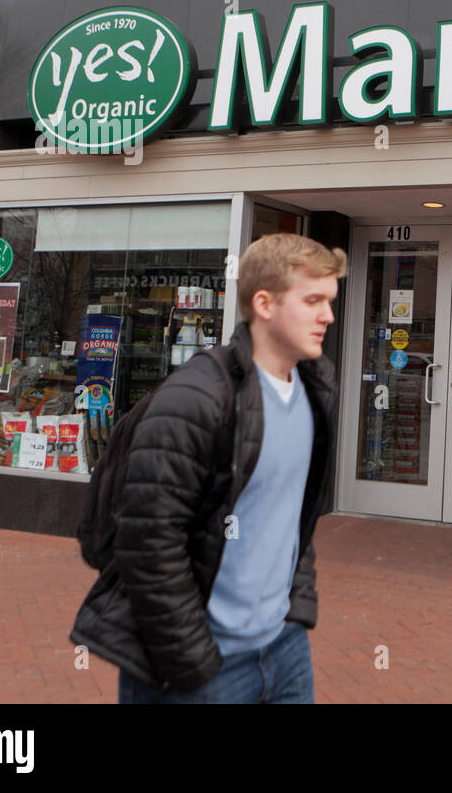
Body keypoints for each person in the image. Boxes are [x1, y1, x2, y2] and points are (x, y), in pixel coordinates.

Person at [70, 233, 345, 703]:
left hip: (283, 650)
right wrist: (190, 658)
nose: (328, 316)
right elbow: (148, 541)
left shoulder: (316, 391)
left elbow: (293, 518)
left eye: (330, 301)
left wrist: (295, 608)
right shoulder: (197, 397)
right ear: (264, 303)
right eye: (313, 300)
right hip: (201, 665)